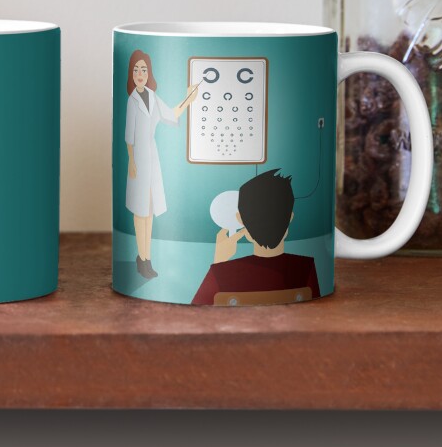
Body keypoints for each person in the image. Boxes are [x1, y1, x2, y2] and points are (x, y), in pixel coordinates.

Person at [192, 169, 320, 306]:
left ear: (239, 219)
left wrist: (219, 262)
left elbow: (200, 309)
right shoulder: (306, 266)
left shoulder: (221, 272)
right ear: (290, 217)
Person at [125, 50, 197, 279]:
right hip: (138, 158)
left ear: (149, 73)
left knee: (150, 210)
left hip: (152, 158)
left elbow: (171, 114)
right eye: (136, 69)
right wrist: (131, 162)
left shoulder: (153, 97)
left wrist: (189, 99)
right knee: (140, 211)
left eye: (143, 69)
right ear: (131, 73)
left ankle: (146, 259)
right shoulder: (131, 101)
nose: (140, 73)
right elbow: (129, 135)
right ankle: (142, 258)